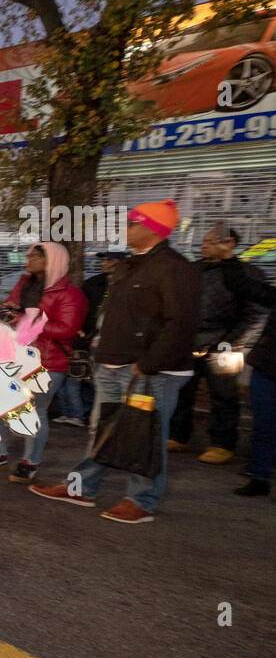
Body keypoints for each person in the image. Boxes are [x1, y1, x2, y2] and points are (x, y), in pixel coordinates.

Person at [30, 200, 201, 524]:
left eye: (132, 224)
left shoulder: (176, 268)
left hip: (150, 371)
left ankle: (142, 501)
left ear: (151, 228)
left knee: (144, 436)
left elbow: (180, 323)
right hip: (111, 364)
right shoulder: (128, 265)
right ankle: (81, 487)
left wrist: (148, 364)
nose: (126, 229)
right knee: (102, 432)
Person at [0, 242, 88, 479]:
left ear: (53, 260)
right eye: (28, 255)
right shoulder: (24, 284)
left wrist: (26, 321)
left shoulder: (71, 294)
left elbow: (67, 329)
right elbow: (10, 310)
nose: (28, 259)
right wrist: (7, 315)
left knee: (35, 411)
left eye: (35, 256)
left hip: (47, 361)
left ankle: (30, 461)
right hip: (11, 356)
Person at [167, 222, 266, 464]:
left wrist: (229, 342)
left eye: (211, 242)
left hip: (228, 346)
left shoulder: (246, 274)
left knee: (224, 395)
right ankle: (178, 435)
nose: (204, 246)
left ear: (229, 244)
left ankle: (222, 444)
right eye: (204, 242)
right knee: (182, 391)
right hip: (188, 342)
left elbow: (255, 314)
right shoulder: (192, 270)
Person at [218, 257, 276, 496]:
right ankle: (259, 477)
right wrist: (228, 258)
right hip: (267, 367)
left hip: (266, 367)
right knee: (263, 426)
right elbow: (243, 286)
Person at [55, 250, 125, 426]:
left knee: (97, 380)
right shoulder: (94, 283)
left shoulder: (126, 284)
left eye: (108, 260)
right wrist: (79, 329)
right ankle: (83, 413)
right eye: (103, 260)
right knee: (85, 375)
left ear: (118, 262)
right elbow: (82, 308)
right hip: (89, 337)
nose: (103, 263)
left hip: (112, 340)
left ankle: (96, 414)